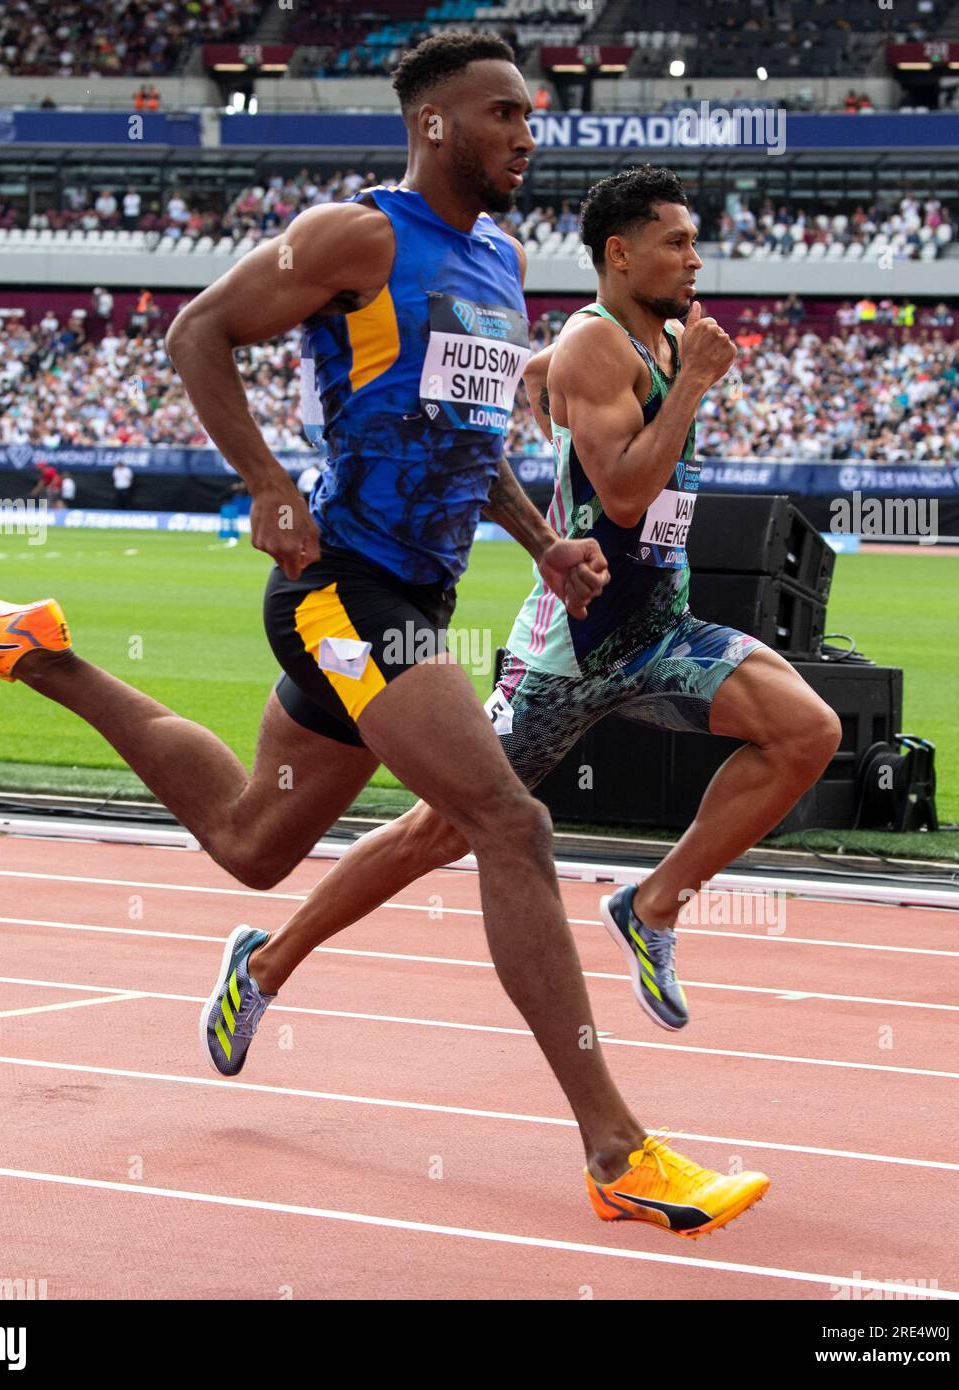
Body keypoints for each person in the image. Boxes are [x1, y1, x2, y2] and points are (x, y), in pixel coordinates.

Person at [0, 33, 768, 1236]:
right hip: (342, 589)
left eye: (533, 116)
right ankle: (618, 1150)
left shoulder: (501, 260)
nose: (528, 135)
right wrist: (266, 482)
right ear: (434, 123)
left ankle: (41, 653)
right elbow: (197, 331)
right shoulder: (359, 236)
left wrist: (541, 541)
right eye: (505, 114)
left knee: (252, 843)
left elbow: (468, 440)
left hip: (416, 598)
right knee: (508, 820)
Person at [236, 162, 841, 1050]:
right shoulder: (601, 344)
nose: (694, 260)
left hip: (658, 630)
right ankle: (265, 963)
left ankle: (651, 904)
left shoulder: (657, 341)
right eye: (676, 243)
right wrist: (689, 389)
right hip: (573, 648)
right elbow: (624, 496)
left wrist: (561, 392)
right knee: (439, 833)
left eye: (694, 242)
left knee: (807, 731)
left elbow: (534, 377)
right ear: (619, 253)